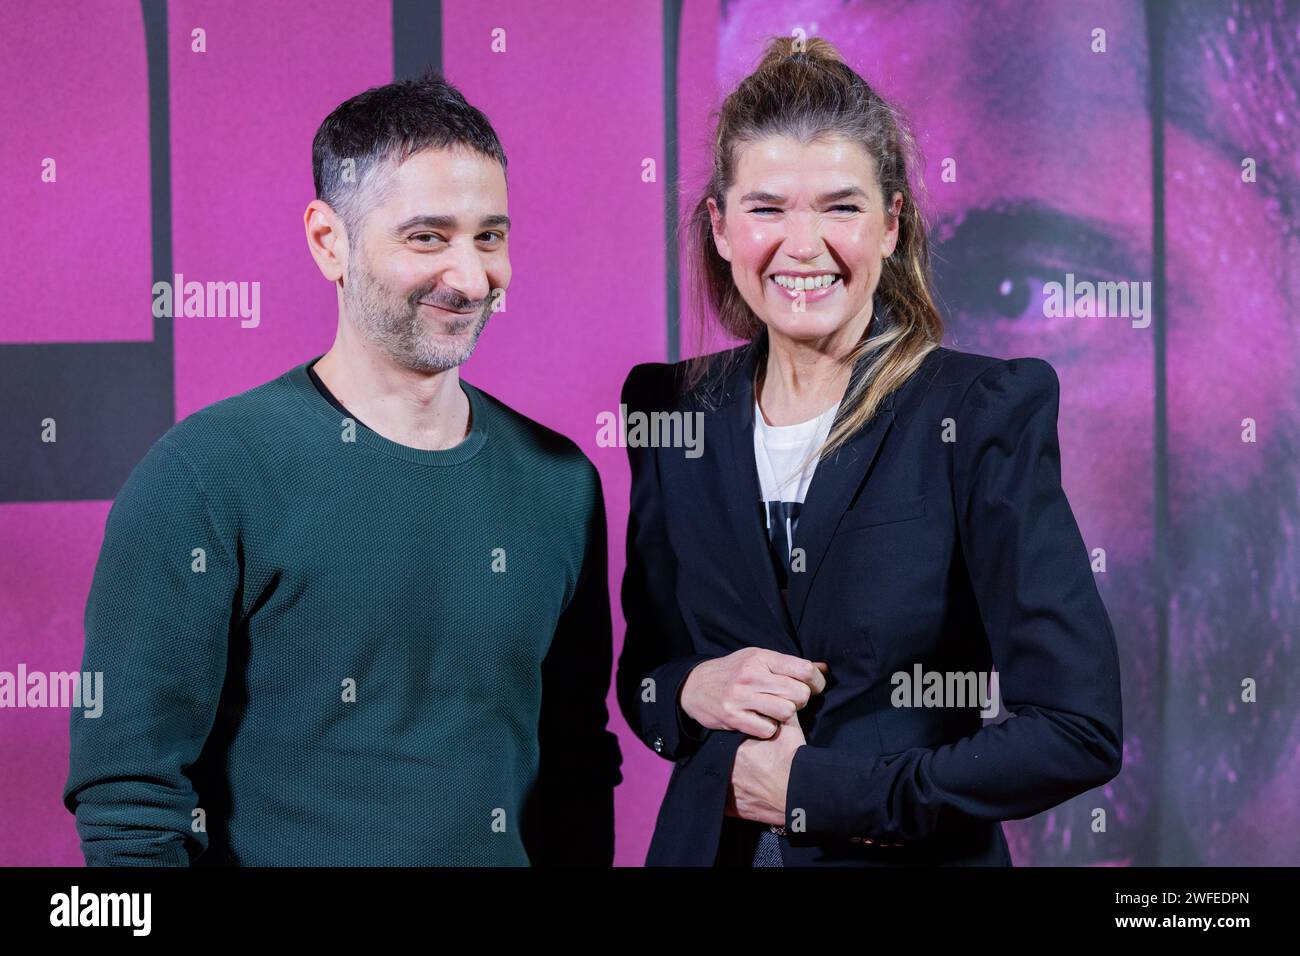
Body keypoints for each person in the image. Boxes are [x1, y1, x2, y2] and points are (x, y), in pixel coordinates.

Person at [63, 72, 621, 866]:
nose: (471, 279)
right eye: (427, 237)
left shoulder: (559, 482)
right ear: (330, 241)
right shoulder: (205, 476)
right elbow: (130, 804)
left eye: (489, 237)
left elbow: (575, 763)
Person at [616, 36, 1122, 866]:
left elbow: (1076, 730)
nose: (803, 245)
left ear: (891, 224)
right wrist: (690, 688)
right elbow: (646, 674)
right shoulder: (671, 410)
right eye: (767, 209)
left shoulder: (979, 410)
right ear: (719, 226)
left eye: (840, 208)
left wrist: (821, 792)